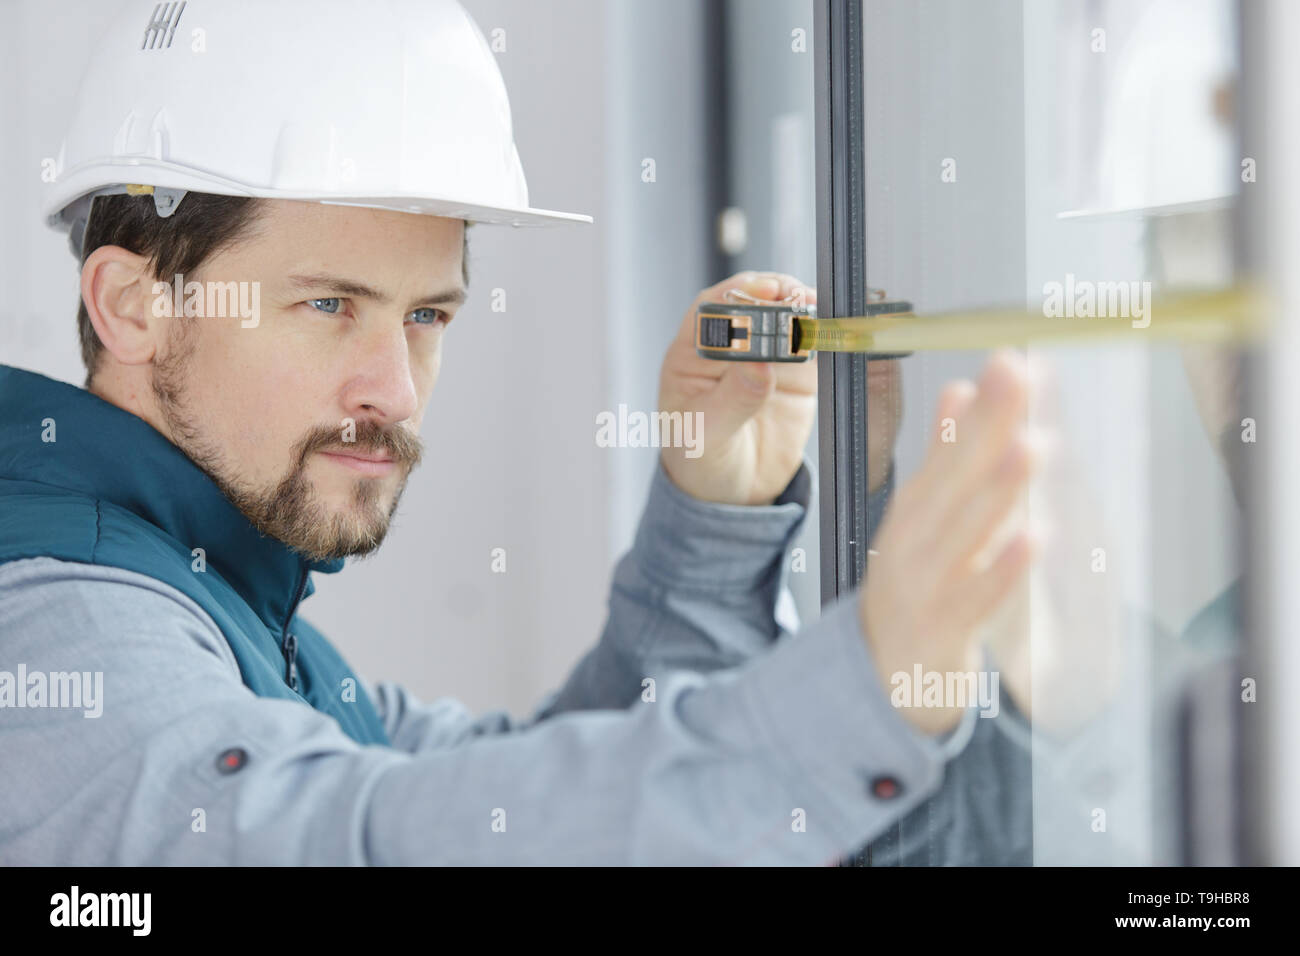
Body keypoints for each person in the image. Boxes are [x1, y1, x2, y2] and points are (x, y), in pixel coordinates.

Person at [0, 0, 1036, 864]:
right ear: (132, 304)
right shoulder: (55, 623)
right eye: (327, 306)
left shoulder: (231, 611)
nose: (395, 390)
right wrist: (861, 696)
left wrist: (714, 519)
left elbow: (518, 788)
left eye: (426, 315)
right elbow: (350, 842)